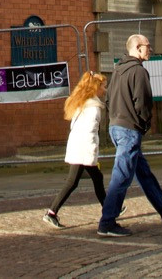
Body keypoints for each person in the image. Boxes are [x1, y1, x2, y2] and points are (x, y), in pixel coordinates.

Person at [97, 34, 162, 236]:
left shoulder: (117, 70)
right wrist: (143, 124)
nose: (150, 49)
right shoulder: (138, 71)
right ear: (137, 48)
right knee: (122, 175)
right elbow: (143, 102)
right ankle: (107, 221)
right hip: (129, 128)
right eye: (147, 46)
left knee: (141, 171)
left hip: (116, 126)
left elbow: (109, 98)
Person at [43, 71, 113, 228]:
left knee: (96, 178)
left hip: (78, 147)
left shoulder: (82, 104)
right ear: (96, 87)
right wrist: (92, 155)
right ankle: (51, 212)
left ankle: (109, 209)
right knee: (73, 182)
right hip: (83, 149)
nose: (105, 90)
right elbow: (90, 133)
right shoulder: (93, 108)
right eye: (103, 86)